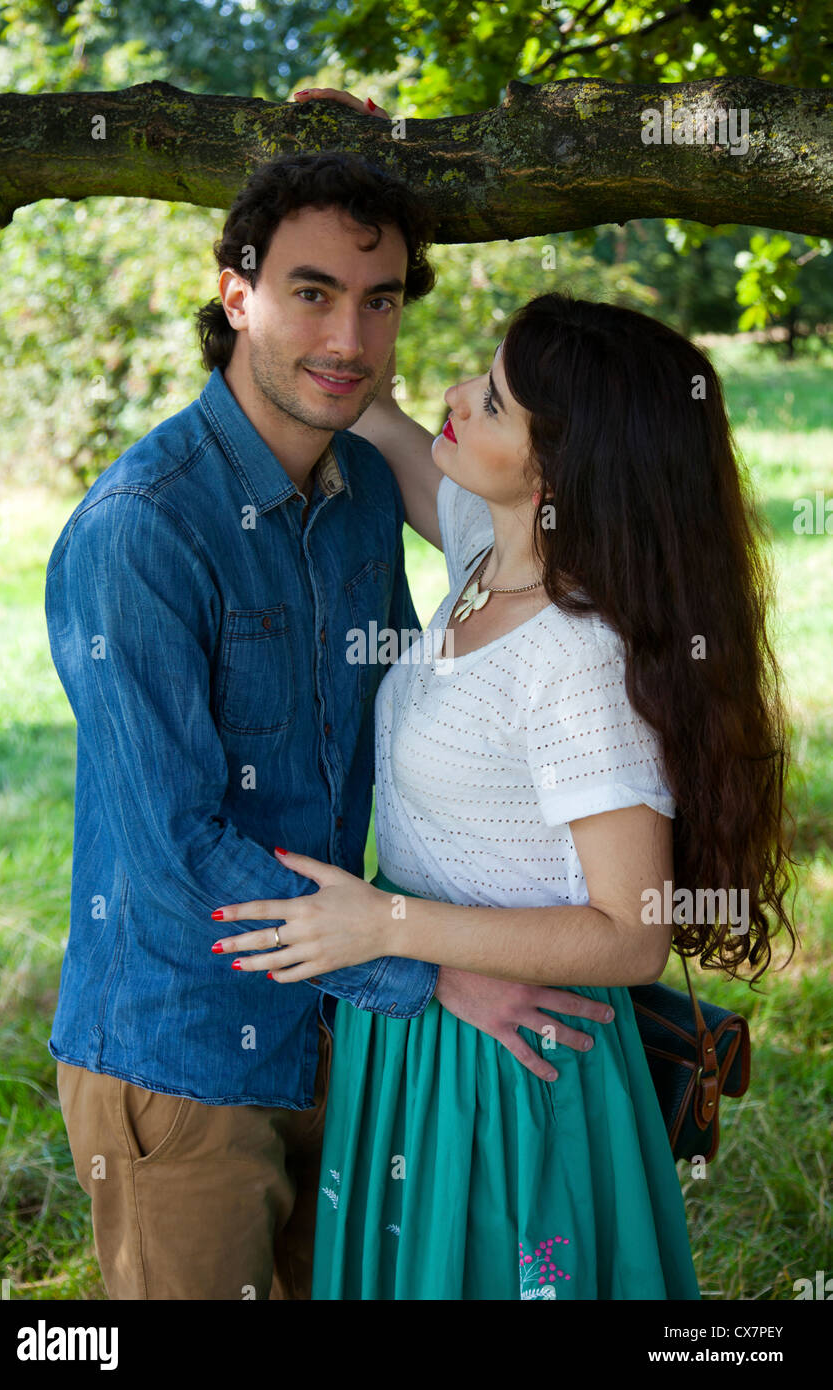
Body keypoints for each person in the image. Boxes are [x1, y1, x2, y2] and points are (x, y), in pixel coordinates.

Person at [212, 106, 796, 1298]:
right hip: (426, 1029)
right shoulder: (491, 549)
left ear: (555, 464)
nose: (452, 397)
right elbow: (347, 388)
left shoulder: (575, 658)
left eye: (489, 395)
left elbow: (629, 930)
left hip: (510, 1057)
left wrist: (385, 928)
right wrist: (330, 183)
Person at [45, 149, 613, 1301]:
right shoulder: (139, 532)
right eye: (311, 291)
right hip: (182, 1053)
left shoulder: (357, 500)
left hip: (337, 1042)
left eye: (381, 299)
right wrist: (427, 966)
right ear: (236, 294)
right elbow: (173, 852)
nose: (349, 336)